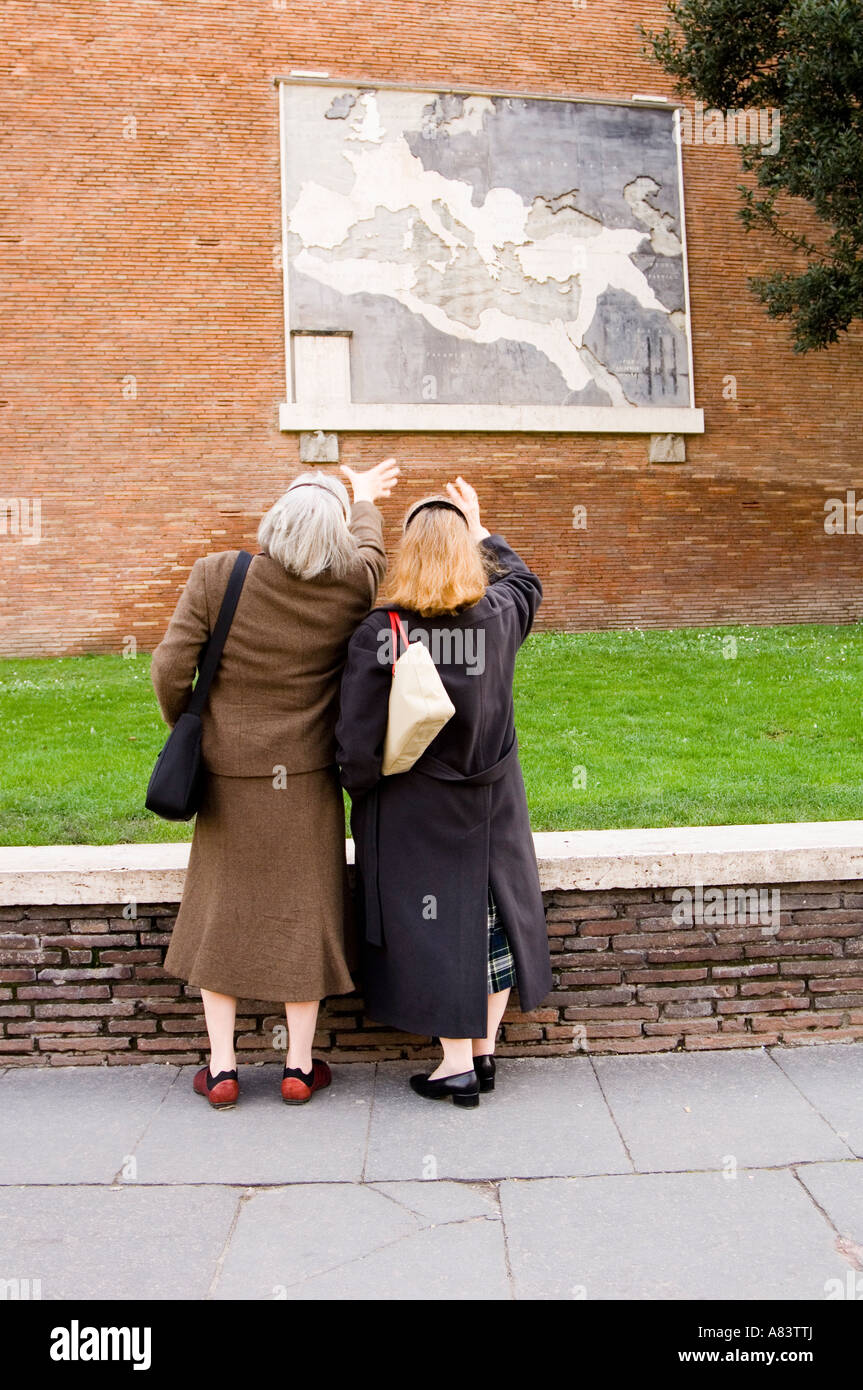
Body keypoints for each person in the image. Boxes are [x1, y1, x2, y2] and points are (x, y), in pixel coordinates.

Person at [150, 458, 399, 1109]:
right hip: (308, 781)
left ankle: (224, 1069)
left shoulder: (217, 575)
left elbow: (170, 667)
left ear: (274, 520)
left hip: (229, 778)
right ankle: (296, 1066)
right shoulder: (349, 585)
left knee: (220, 917)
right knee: (304, 917)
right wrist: (364, 497)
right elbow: (370, 550)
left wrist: (193, 728)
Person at [336, 477, 552, 1108]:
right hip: (492, 806)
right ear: (465, 552)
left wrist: (363, 787)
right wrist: (481, 525)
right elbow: (526, 581)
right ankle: (482, 1054)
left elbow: (355, 744)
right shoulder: (498, 617)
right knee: (493, 925)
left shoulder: (383, 633)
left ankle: (455, 1065)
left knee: (431, 928)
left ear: (407, 552)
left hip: (416, 809)